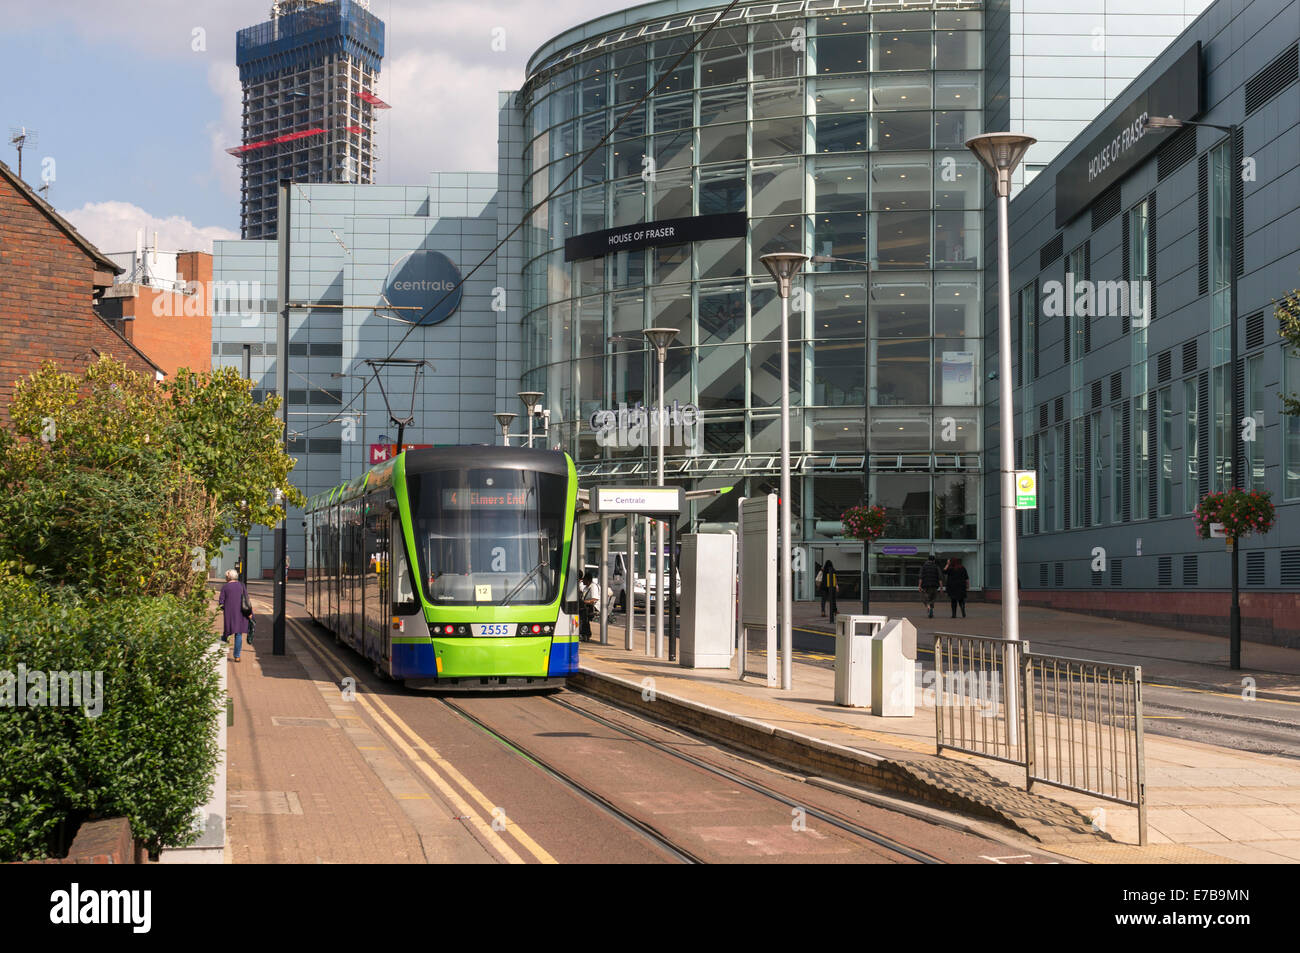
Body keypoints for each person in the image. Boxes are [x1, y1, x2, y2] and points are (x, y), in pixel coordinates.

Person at [217, 569, 253, 662]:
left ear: (228, 577)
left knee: (226, 633)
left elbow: (221, 602)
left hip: (229, 614)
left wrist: (226, 608)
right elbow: (247, 600)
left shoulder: (225, 587)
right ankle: (237, 656)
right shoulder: (242, 585)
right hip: (241, 613)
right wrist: (250, 613)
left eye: (226, 576)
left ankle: (222, 652)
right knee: (238, 634)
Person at [918, 554, 942, 618]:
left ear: (928, 560)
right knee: (933, 598)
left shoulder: (923, 567)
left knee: (925, 597)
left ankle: (928, 606)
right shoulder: (936, 567)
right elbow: (940, 577)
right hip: (934, 585)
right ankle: (931, 609)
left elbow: (921, 577)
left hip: (925, 585)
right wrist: (941, 587)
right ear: (934, 560)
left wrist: (919, 586)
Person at [579, 570, 600, 642]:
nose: (582, 581)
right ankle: (584, 633)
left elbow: (594, 599)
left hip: (594, 607)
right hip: (587, 606)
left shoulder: (593, 587)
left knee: (582, 614)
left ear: (588, 580)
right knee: (580, 611)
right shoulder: (585, 588)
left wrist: (584, 602)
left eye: (584, 579)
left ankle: (585, 633)